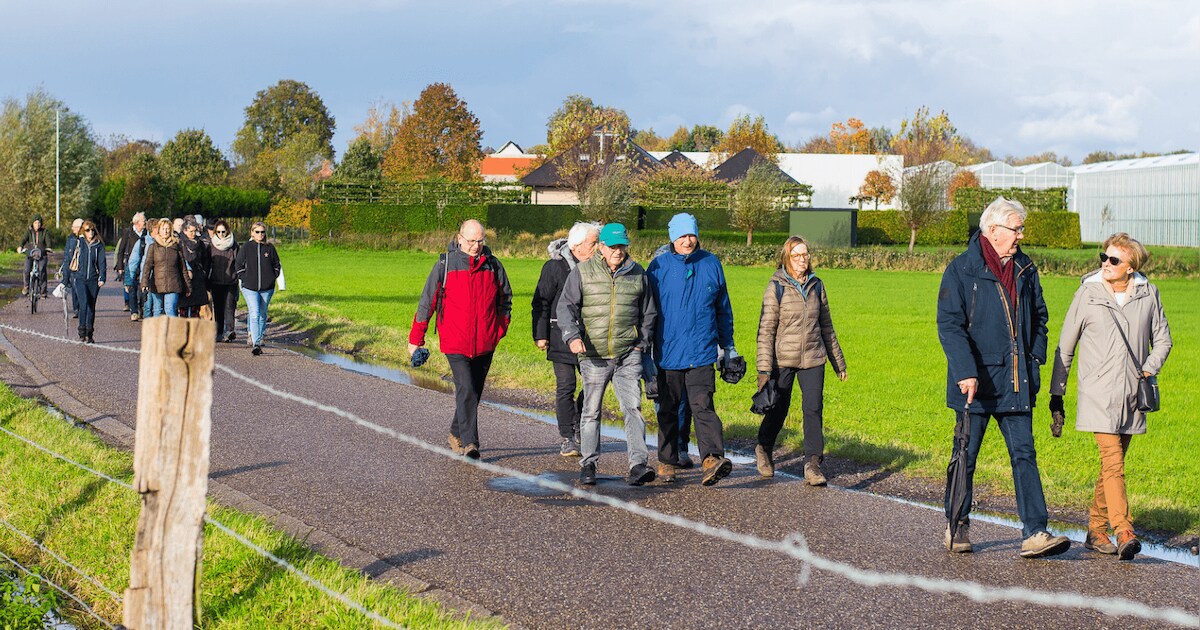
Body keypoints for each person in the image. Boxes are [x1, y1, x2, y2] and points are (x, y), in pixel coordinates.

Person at [937, 196, 1070, 559]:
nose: (1020, 236)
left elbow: (1040, 317)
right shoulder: (961, 269)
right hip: (975, 383)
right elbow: (949, 324)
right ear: (992, 230)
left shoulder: (1026, 267)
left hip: (1017, 380)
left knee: (1024, 454)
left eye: (1021, 229)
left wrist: (1034, 357)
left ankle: (1036, 531)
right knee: (966, 455)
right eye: (1016, 228)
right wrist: (965, 371)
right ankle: (957, 524)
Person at [1050, 233, 1172, 561]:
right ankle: (1124, 530)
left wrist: (1147, 370)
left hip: (1133, 393)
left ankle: (1095, 529)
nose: (1106, 263)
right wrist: (1056, 394)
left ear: (1131, 267)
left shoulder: (1149, 295)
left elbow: (1163, 340)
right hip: (1097, 392)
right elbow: (1066, 344)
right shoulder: (1087, 293)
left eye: (1114, 260)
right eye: (1103, 257)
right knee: (1112, 462)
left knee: (1112, 467)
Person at [557, 223, 657, 486]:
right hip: (594, 355)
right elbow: (566, 306)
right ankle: (588, 464)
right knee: (591, 411)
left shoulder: (638, 273)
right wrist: (573, 336)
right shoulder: (582, 272)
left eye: (622, 246)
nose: (618, 251)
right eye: (613, 246)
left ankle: (638, 466)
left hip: (628, 354)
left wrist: (640, 344)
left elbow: (649, 312)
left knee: (633, 408)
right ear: (601, 247)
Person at [409, 219, 512, 460]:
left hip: (485, 342)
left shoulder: (493, 266)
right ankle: (470, 442)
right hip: (455, 341)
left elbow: (505, 300)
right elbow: (427, 302)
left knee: (473, 391)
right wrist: (416, 338)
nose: (476, 246)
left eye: (480, 241)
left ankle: (456, 431)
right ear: (459, 239)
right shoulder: (445, 265)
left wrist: (499, 330)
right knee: (465, 387)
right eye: (471, 241)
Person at [647, 213, 736, 486]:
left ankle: (711, 459)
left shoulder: (711, 263)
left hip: (702, 350)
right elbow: (647, 311)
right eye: (682, 236)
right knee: (669, 408)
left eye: (691, 235)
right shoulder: (658, 267)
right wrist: (644, 351)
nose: (687, 240)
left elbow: (723, 309)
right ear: (673, 238)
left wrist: (728, 347)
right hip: (668, 351)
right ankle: (666, 461)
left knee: (703, 405)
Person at [755, 235, 847, 486]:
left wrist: (838, 362)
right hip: (783, 358)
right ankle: (764, 447)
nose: (802, 259)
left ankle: (812, 464)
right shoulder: (776, 286)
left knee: (813, 409)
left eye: (805, 254)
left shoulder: (817, 285)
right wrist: (764, 369)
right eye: (796, 255)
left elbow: (826, 326)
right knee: (778, 409)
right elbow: (766, 329)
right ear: (787, 258)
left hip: (814, 357)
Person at [532, 221, 600, 457]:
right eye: (594, 243)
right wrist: (540, 335)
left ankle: (580, 421)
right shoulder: (555, 267)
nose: (598, 247)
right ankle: (567, 437)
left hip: (592, 338)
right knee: (566, 387)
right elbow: (540, 301)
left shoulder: (599, 267)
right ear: (578, 245)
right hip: (560, 335)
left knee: (593, 386)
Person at [234, 221, 282, 355]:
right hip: (250, 288)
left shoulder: (270, 248)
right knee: (254, 314)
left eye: (262, 232)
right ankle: (256, 343)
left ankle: (260, 337)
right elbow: (238, 265)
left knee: (262, 314)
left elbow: (277, 264)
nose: (260, 234)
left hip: (267, 288)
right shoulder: (246, 247)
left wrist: (273, 276)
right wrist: (244, 277)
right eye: (257, 232)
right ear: (252, 233)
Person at [65, 220, 106, 343]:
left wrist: (102, 277)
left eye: (92, 230)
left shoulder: (98, 245)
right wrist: (65, 279)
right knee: (83, 305)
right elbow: (68, 258)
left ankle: (90, 333)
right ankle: (81, 332)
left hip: (93, 279)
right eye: (88, 230)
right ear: (83, 231)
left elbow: (102, 262)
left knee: (91, 307)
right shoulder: (79, 243)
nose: (91, 232)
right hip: (80, 278)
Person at [141, 218, 190, 318]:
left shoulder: (176, 246)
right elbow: (147, 266)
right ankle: (158, 332)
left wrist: (188, 286)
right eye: (163, 229)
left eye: (168, 229)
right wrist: (144, 283)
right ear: (159, 230)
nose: (166, 231)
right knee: (158, 310)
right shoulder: (153, 247)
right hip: (157, 284)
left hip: (173, 283)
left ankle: (173, 332)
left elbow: (183, 267)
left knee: (169, 309)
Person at [208, 219, 240, 342]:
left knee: (229, 306)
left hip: (230, 281)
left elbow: (238, 262)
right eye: (219, 232)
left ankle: (229, 331)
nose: (221, 234)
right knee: (218, 308)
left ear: (227, 231)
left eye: (223, 231)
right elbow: (208, 263)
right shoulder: (211, 245)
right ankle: (219, 332)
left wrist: (237, 276)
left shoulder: (234, 245)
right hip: (216, 281)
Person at [115, 213, 148, 317]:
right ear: (138, 222)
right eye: (144, 221)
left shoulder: (146, 233)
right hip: (131, 264)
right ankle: (134, 311)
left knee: (142, 287)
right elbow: (121, 250)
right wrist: (120, 267)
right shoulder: (128, 233)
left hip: (143, 263)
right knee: (132, 288)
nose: (145, 222)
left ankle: (142, 306)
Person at [179, 219, 211, 318]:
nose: (193, 234)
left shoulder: (200, 243)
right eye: (190, 231)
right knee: (183, 306)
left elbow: (206, 259)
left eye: (194, 231)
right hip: (184, 276)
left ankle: (194, 330)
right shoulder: (180, 243)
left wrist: (204, 272)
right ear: (184, 231)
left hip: (198, 276)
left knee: (196, 307)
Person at [18, 215, 52, 296]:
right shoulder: (29, 231)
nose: (37, 224)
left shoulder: (45, 232)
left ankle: (43, 291)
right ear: (32, 223)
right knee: (26, 270)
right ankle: (26, 287)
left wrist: (48, 247)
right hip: (30, 254)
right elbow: (23, 239)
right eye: (36, 223)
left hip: (42, 254)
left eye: (39, 223)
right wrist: (20, 246)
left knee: (42, 270)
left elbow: (48, 241)